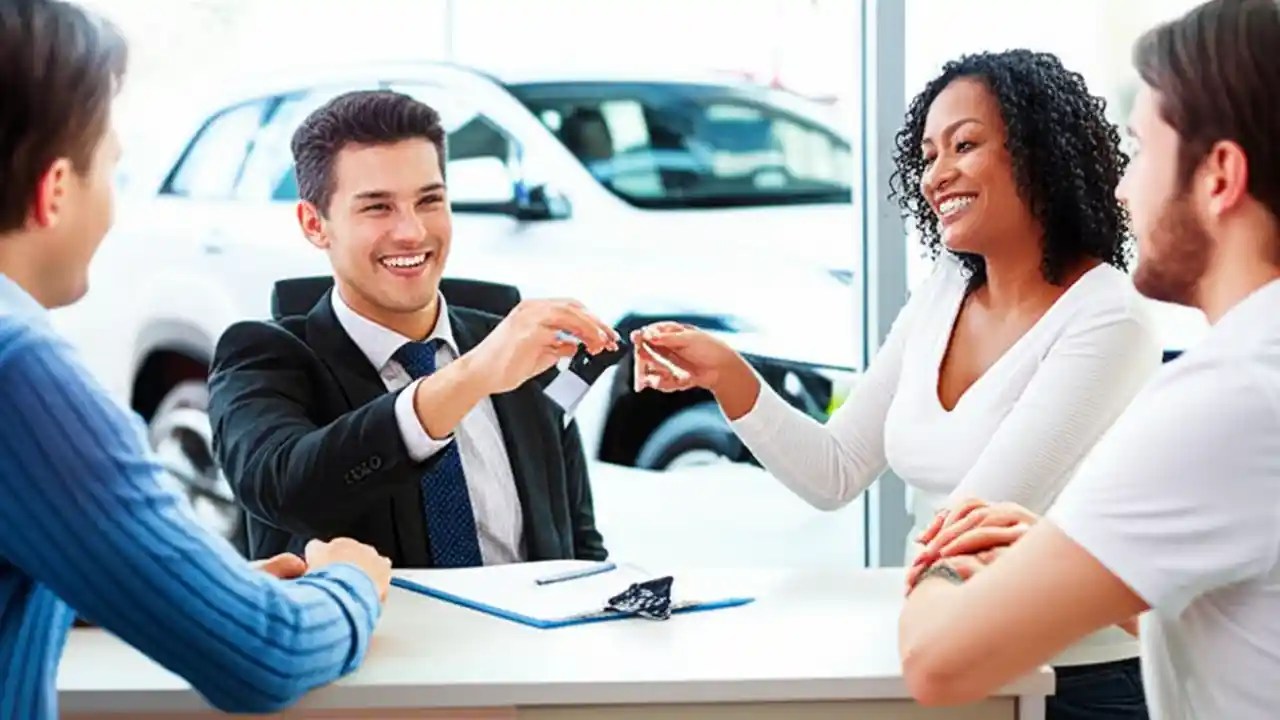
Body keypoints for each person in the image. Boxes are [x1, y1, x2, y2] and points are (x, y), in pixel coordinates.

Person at [634, 49, 1159, 718]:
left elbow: (971, 527)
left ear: (1040, 152)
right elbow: (835, 470)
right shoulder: (947, 289)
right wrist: (726, 374)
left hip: (1078, 682)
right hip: (950, 647)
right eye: (928, 155)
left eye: (963, 145)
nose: (937, 175)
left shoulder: (1107, 317)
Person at [0, 3, 393, 718]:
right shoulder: (17, 367)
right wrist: (349, 583)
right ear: (54, 191)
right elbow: (265, 655)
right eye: (110, 173)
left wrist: (168, 579)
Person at [896, 1, 1280, 718]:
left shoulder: (1229, 397)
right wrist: (1070, 552)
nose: (1121, 191)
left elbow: (936, 663)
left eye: (1139, 152)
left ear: (1219, 175)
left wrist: (939, 566)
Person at [208, 90, 614, 569]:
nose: (412, 232)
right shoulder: (262, 356)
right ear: (315, 224)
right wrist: (470, 378)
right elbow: (287, 489)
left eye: (429, 201)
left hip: (528, 639)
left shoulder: (516, 351)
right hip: (377, 642)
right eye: (378, 208)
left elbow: (579, 548)